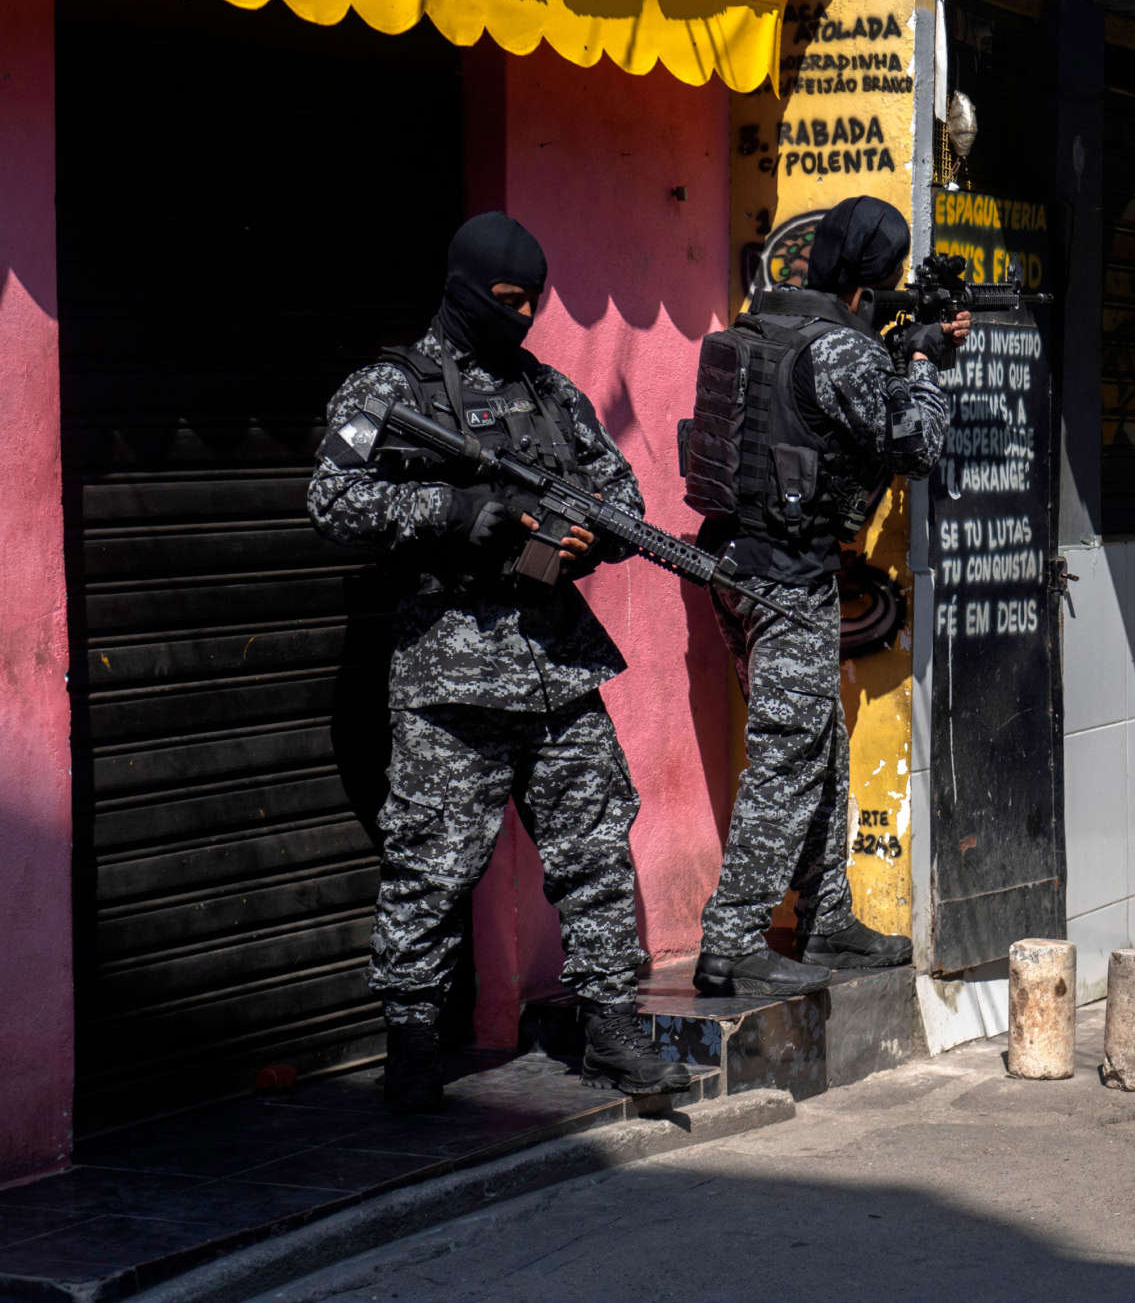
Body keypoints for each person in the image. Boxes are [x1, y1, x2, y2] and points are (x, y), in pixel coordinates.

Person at [308, 212, 689, 1111]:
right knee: (431, 864)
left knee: (596, 851)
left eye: (534, 303)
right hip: (452, 672)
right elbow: (331, 497)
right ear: (468, 289)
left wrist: (587, 537)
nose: (521, 317)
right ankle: (410, 1043)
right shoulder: (390, 387)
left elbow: (622, 492)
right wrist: (450, 512)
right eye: (507, 302)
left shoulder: (549, 394)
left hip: (557, 664)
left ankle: (610, 1030)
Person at [690, 197, 968, 998]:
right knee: (789, 750)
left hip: (738, 567)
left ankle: (827, 917)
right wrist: (918, 363)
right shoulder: (844, 354)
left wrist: (899, 349)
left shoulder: (763, 325)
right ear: (867, 283)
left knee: (818, 741)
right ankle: (732, 937)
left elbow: (820, 411)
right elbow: (915, 444)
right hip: (785, 575)